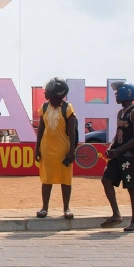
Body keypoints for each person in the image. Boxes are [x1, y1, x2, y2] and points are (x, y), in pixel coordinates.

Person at [101, 81, 134, 232]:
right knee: (106, 180)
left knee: (131, 187)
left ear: (126, 93)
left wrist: (119, 150)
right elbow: (117, 133)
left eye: (118, 93)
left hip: (130, 155)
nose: (116, 95)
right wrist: (112, 147)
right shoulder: (121, 113)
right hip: (118, 153)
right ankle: (116, 214)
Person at [35, 77, 78, 219]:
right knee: (46, 179)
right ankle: (44, 208)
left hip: (63, 149)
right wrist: (37, 148)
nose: (45, 92)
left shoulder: (68, 108)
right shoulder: (44, 107)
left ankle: (66, 208)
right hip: (46, 148)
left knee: (65, 179)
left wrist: (72, 151)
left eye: (48, 90)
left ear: (57, 92)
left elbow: (72, 132)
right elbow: (41, 129)